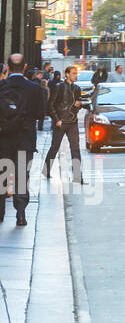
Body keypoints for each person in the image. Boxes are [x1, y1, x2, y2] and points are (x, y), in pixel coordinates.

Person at [0, 54, 47, 226]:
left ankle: (0, 213)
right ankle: (20, 213)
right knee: (21, 176)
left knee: (2, 175)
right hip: (25, 138)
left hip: (3, 138)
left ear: (8, 67)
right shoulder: (34, 88)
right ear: (25, 67)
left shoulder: (1, 86)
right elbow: (41, 114)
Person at [45, 65, 85, 183]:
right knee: (54, 147)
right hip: (61, 122)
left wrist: (78, 106)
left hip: (72, 122)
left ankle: (77, 176)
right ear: (67, 74)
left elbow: (77, 105)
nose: (75, 75)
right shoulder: (59, 87)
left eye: (76, 73)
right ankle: (46, 170)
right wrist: (57, 119)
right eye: (73, 73)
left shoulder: (77, 88)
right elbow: (51, 104)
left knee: (75, 149)